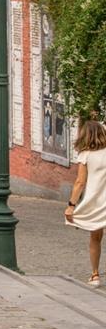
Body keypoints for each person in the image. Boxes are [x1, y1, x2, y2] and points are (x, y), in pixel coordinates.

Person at [63, 119, 106, 287]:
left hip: (96, 202)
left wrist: (71, 205)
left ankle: (95, 275)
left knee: (95, 238)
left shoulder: (86, 155)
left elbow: (80, 182)